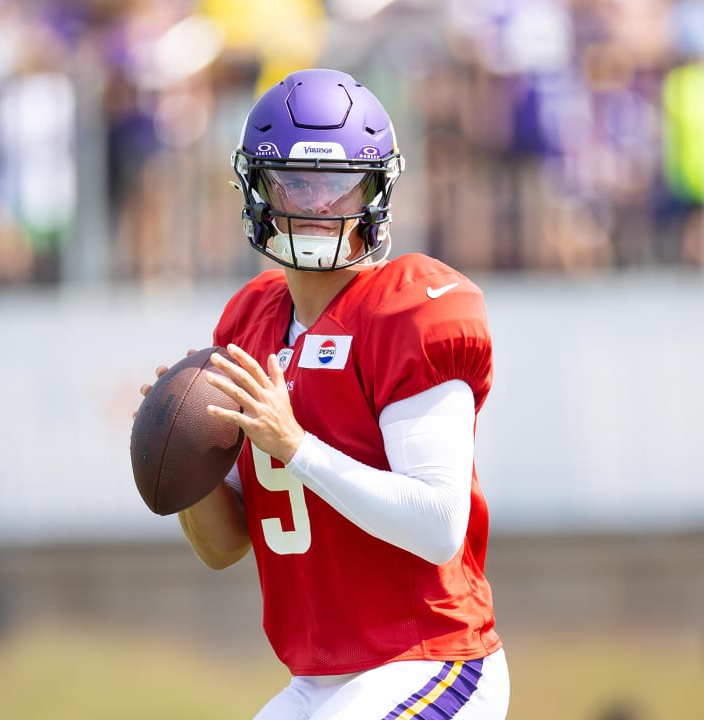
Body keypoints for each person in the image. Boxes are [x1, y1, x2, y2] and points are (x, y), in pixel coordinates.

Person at [141, 68, 509, 719]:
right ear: (256, 187)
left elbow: (438, 527)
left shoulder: (413, 310)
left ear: (376, 190)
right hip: (320, 676)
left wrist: (296, 446)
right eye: (296, 182)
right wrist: (183, 455)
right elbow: (225, 547)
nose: (316, 205)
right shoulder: (246, 321)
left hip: (430, 656)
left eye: (340, 185)